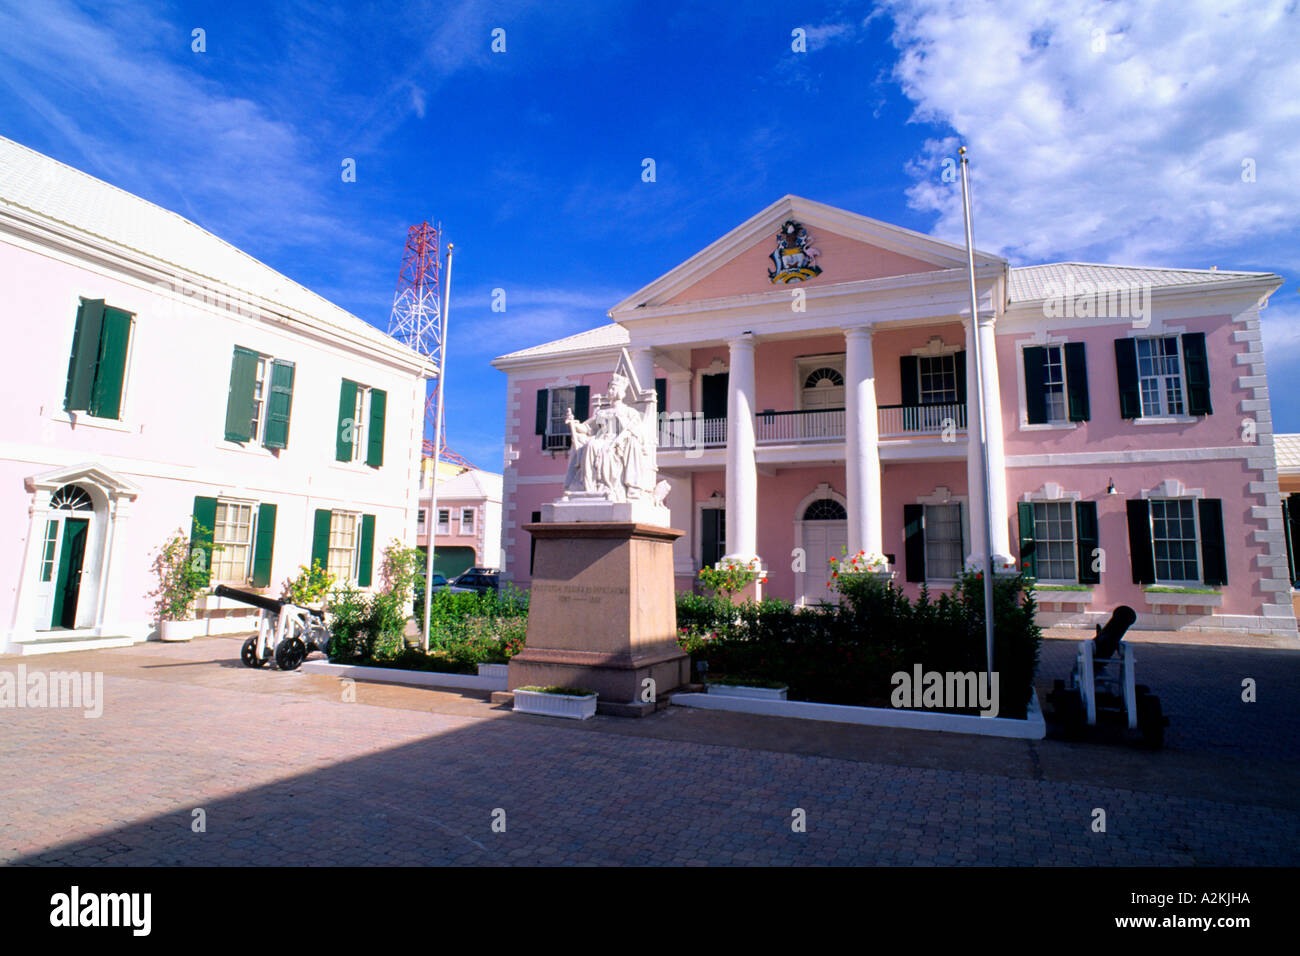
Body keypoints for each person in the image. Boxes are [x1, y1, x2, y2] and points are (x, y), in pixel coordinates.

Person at [563, 373, 650, 502]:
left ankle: (626, 486)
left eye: (613, 388)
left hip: (620, 443)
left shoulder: (630, 412)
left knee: (609, 449)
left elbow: (637, 431)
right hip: (602, 440)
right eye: (609, 388)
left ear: (621, 392)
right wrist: (574, 424)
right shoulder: (602, 412)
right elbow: (588, 428)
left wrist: (620, 439)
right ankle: (589, 487)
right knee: (591, 445)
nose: (610, 391)